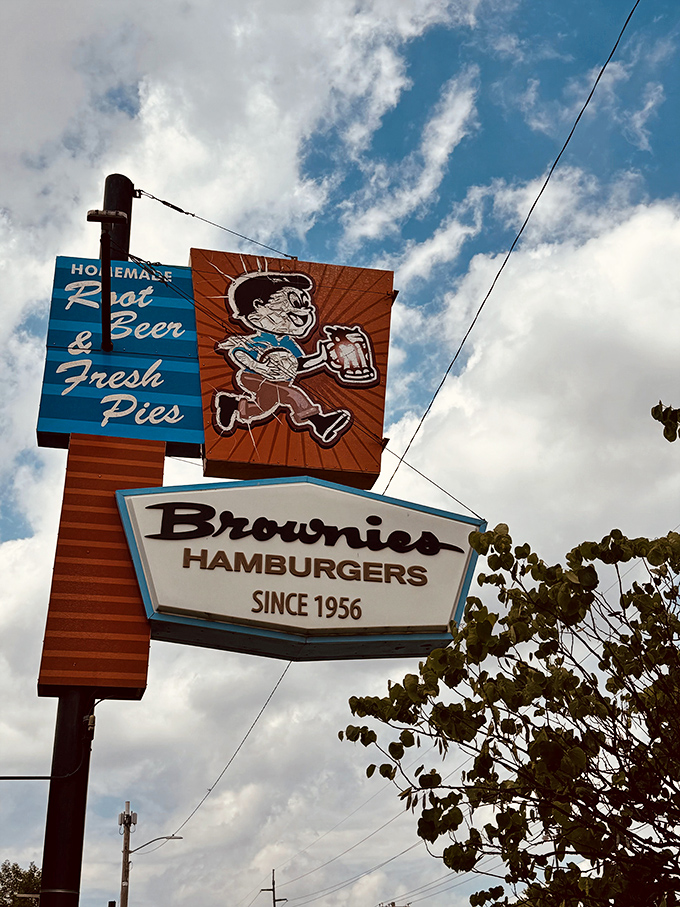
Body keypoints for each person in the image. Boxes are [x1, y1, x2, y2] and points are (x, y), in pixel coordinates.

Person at [212, 270, 352, 446]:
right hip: (252, 377)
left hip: (278, 382)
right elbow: (238, 352)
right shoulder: (259, 339)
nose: (306, 310)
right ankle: (319, 422)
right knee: (293, 394)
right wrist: (259, 367)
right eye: (295, 302)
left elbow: (299, 364)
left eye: (305, 303)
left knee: (263, 407)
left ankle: (232, 404)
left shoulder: (288, 342)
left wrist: (321, 357)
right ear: (258, 308)